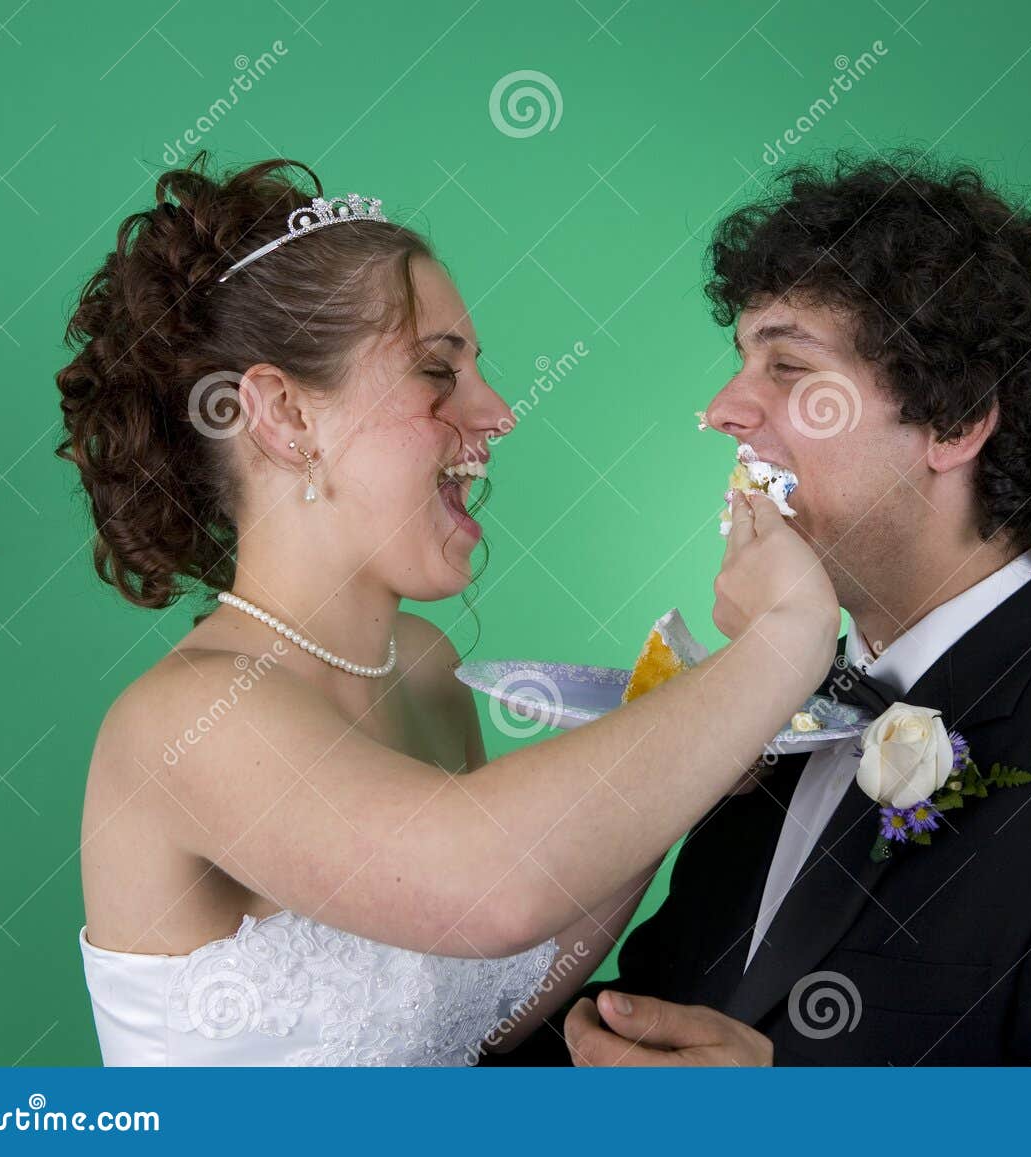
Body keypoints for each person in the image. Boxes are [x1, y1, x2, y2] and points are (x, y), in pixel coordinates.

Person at [498, 154, 1031, 1067]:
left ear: (957, 420)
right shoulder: (772, 715)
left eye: (789, 365)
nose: (723, 409)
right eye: (742, 363)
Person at [55, 153, 838, 1065]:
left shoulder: (421, 667)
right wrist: (785, 637)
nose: (497, 411)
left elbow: (475, 1008)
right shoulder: (187, 719)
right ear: (284, 415)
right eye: (438, 370)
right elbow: (489, 891)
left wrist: (700, 752)